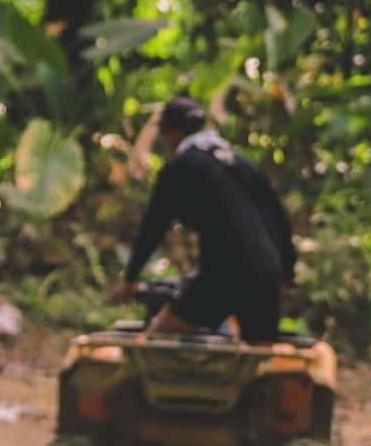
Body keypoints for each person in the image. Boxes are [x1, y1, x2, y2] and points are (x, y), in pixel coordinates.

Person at [116, 96, 295, 344]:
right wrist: (287, 271)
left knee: (157, 341)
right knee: (259, 362)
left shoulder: (180, 166)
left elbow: (153, 226)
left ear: (170, 133)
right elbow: (277, 217)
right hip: (267, 272)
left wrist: (130, 278)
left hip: (223, 274)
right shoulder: (241, 163)